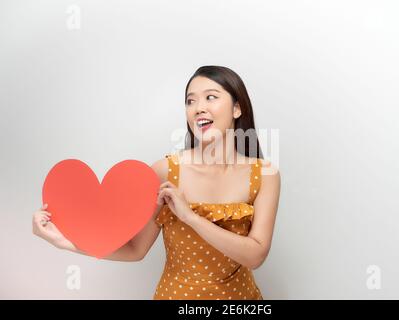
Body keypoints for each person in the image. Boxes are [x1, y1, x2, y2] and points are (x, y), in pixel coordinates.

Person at [32, 65, 281, 300]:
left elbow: (256, 255)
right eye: (190, 101)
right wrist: (65, 242)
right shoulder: (165, 171)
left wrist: (191, 217)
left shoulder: (265, 175)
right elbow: (135, 250)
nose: (198, 108)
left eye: (211, 97)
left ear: (237, 108)